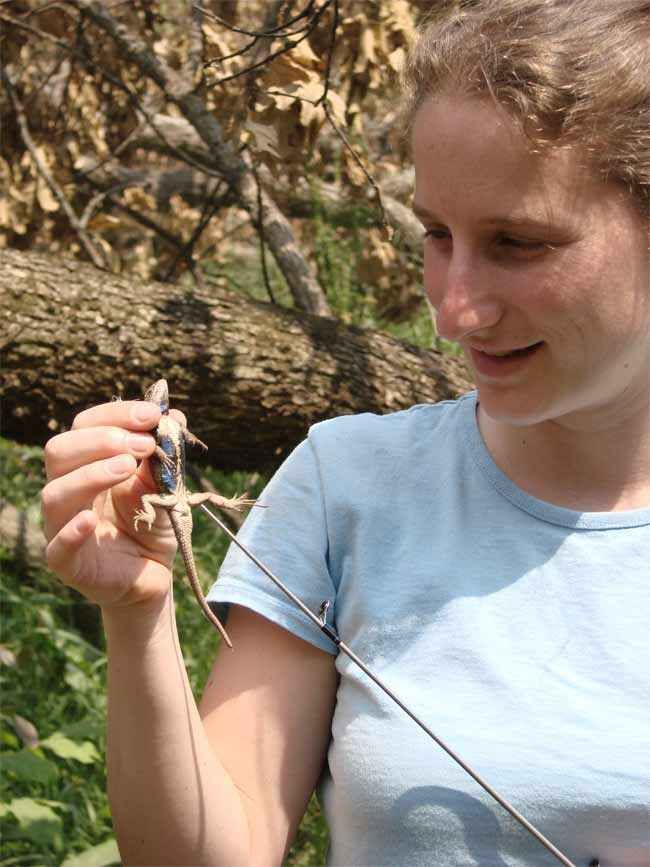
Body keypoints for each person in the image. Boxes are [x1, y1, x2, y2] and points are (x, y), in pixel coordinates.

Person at [42, 1, 650, 864]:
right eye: (437, 234)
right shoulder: (350, 482)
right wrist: (137, 616)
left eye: (518, 242)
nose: (454, 309)